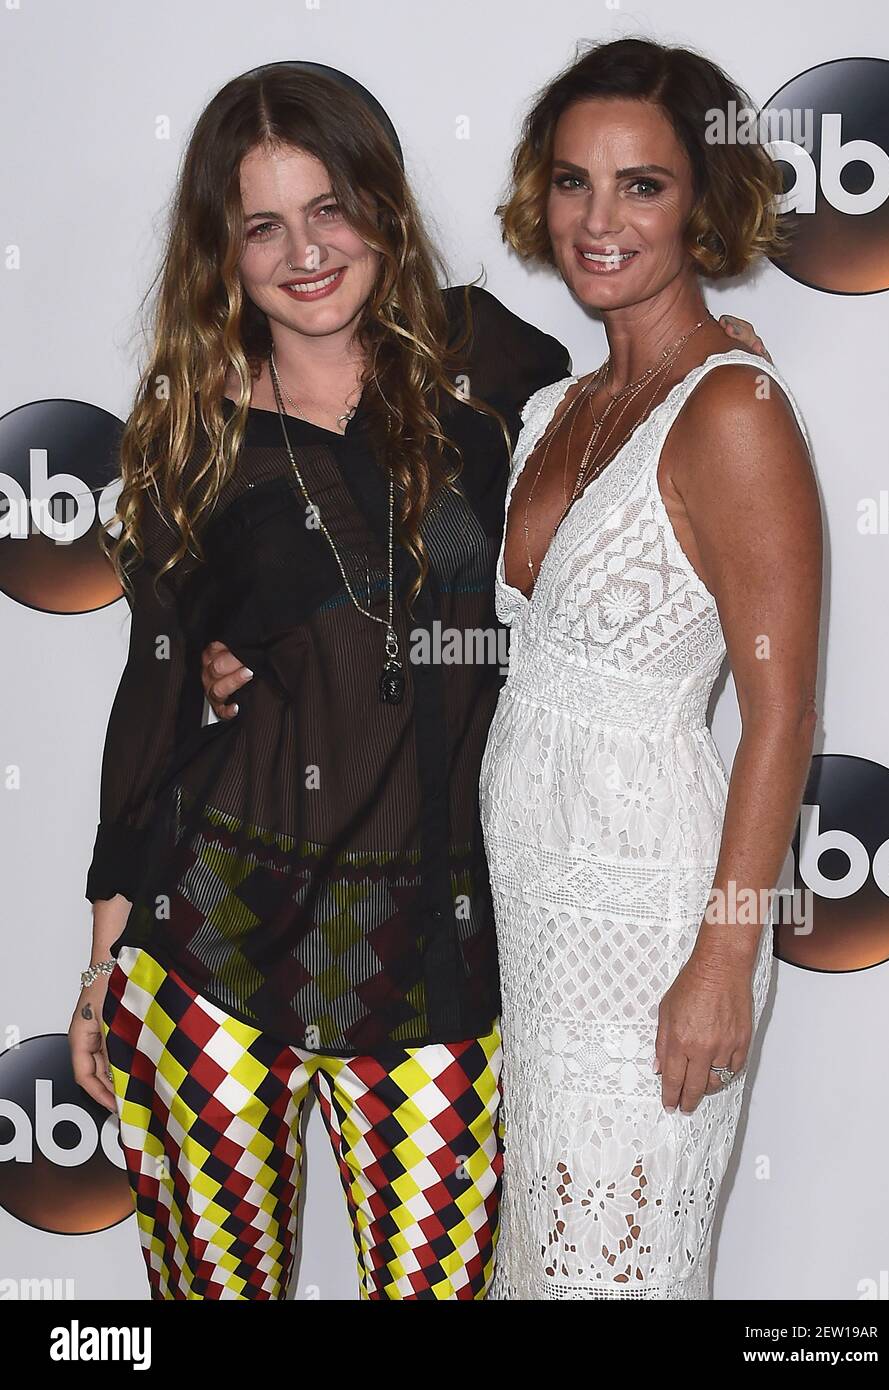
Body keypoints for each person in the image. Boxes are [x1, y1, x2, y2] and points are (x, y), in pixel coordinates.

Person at [71, 61, 765, 1301]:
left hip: (437, 969)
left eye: (329, 208)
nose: (303, 253)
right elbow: (156, 700)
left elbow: (634, 398)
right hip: (212, 952)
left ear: (382, 208)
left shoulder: (493, 369)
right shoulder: (188, 430)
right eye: (262, 225)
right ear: (219, 252)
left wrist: (722, 358)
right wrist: (98, 963)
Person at [474, 37, 823, 1299]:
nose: (597, 220)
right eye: (573, 182)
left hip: (653, 919)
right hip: (539, 915)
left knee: (609, 1275)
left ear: (704, 202)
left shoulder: (732, 410)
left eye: (643, 186)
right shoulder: (558, 406)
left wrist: (724, 958)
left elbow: (781, 711)